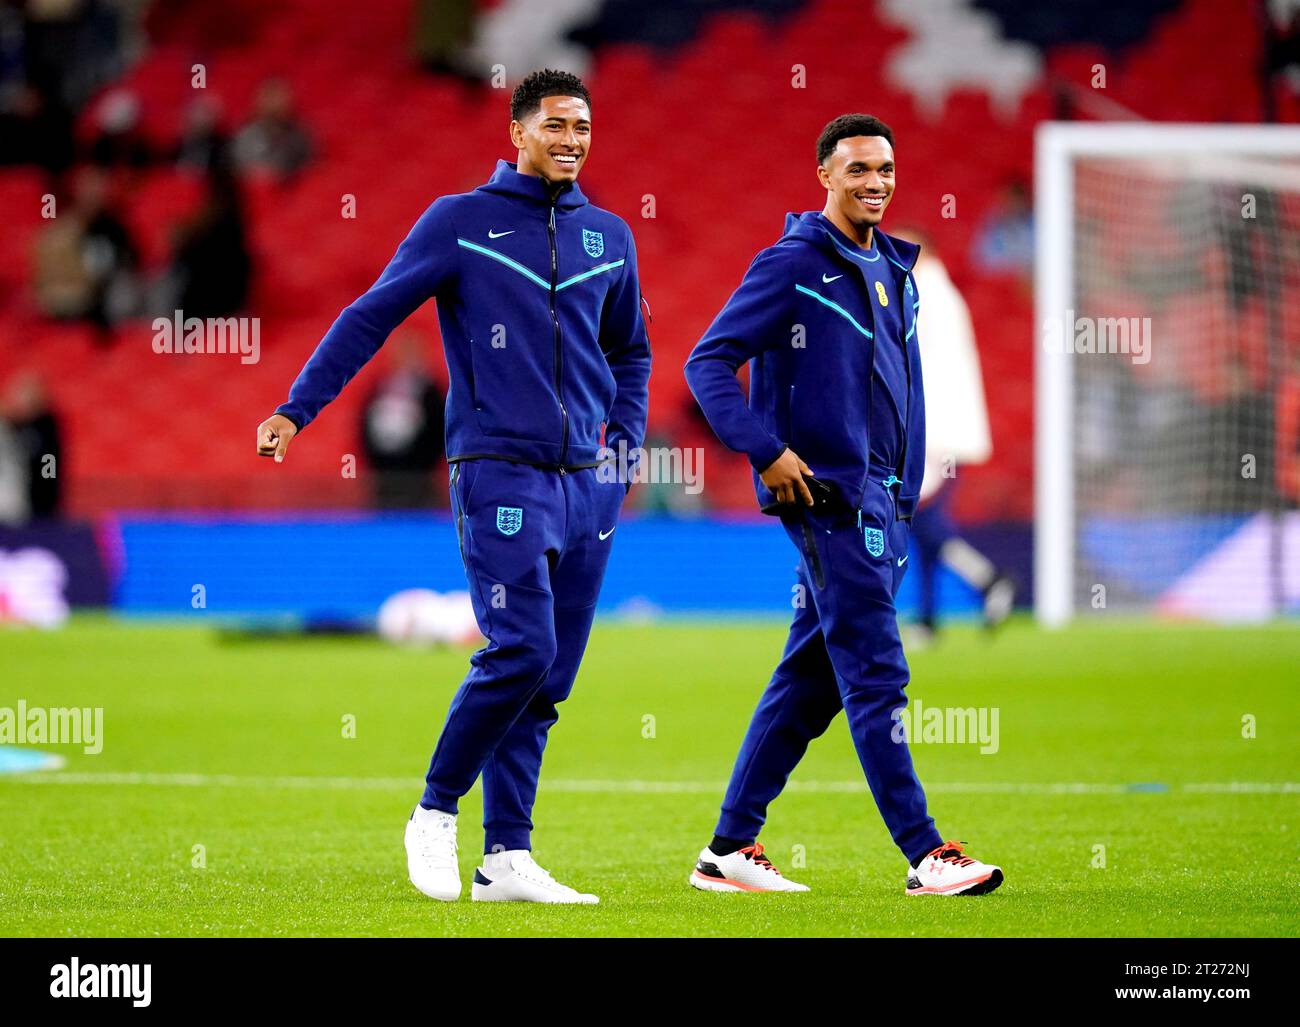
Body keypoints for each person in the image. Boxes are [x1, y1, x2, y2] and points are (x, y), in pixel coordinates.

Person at [256, 69, 650, 904]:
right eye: (555, 125)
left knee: (549, 682)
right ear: (517, 132)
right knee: (522, 649)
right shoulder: (461, 223)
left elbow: (633, 352)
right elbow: (372, 312)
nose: (572, 139)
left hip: (590, 484)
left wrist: (623, 449)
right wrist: (299, 408)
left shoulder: (610, 236)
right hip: (499, 472)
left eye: (582, 125)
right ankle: (434, 811)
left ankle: (506, 856)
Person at [684, 113, 1003, 896]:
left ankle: (728, 847)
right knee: (876, 672)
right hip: (831, 498)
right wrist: (767, 450)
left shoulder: (896, 269)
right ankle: (927, 851)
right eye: (858, 169)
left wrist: (906, 485)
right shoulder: (792, 263)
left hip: (887, 501)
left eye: (886, 169)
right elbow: (709, 362)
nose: (875, 183)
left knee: (811, 679)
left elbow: (905, 391)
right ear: (825, 174)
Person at [900, 230, 1015, 641]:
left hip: (933, 431)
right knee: (922, 520)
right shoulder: (944, 294)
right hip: (947, 429)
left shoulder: (921, 293)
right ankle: (929, 620)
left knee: (921, 522)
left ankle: (988, 580)